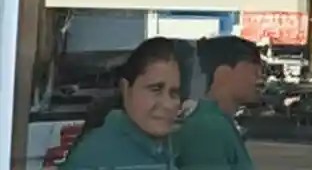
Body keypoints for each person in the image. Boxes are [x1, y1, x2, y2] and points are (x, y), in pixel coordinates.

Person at [64, 37, 182, 170]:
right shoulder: (99, 156)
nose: (167, 104)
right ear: (126, 89)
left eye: (174, 93)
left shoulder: (166, 147)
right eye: (155, 89)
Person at [175, 35, 262, 170]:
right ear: (223, 73)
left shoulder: (216, 122)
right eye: (255, 72)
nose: (260, 81)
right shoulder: (207, 127)